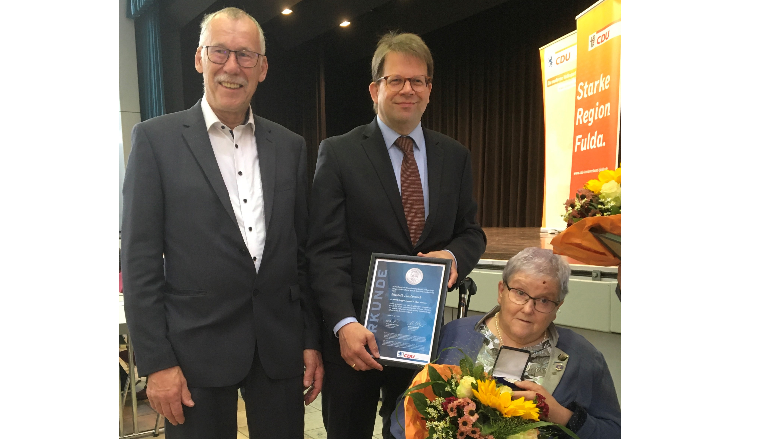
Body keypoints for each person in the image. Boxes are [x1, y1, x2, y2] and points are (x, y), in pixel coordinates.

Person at [121, 7, 322, 438]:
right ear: (199, 59)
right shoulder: (156, 141)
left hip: (278, 347)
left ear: (263, 68)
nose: (232, 66)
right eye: (220, 52)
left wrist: (309, 340)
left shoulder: (290, 147)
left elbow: (299, 255)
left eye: (246, 55)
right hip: (193, 351)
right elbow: (139, 264)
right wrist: (156, 363)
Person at [306, 31, 487, 439]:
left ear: (428, 90)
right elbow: (324, 250)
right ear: (375, 89)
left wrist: (454, 258)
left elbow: (471, 232)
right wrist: (343, 323)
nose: (408, 89)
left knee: (416, 435)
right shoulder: (338, 153)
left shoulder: (454, 156)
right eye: (396, 80)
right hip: (354, 341)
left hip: (423, 341)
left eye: (418, 81)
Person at [389, 247, 621, 438]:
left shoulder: (583, 357)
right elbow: (405, 415)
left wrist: (560, 415)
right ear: (501, 291)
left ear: (557, 307)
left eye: (543, 300)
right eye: (519, 293)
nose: (528, 309)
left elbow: (612, 432)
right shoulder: (453, 335)